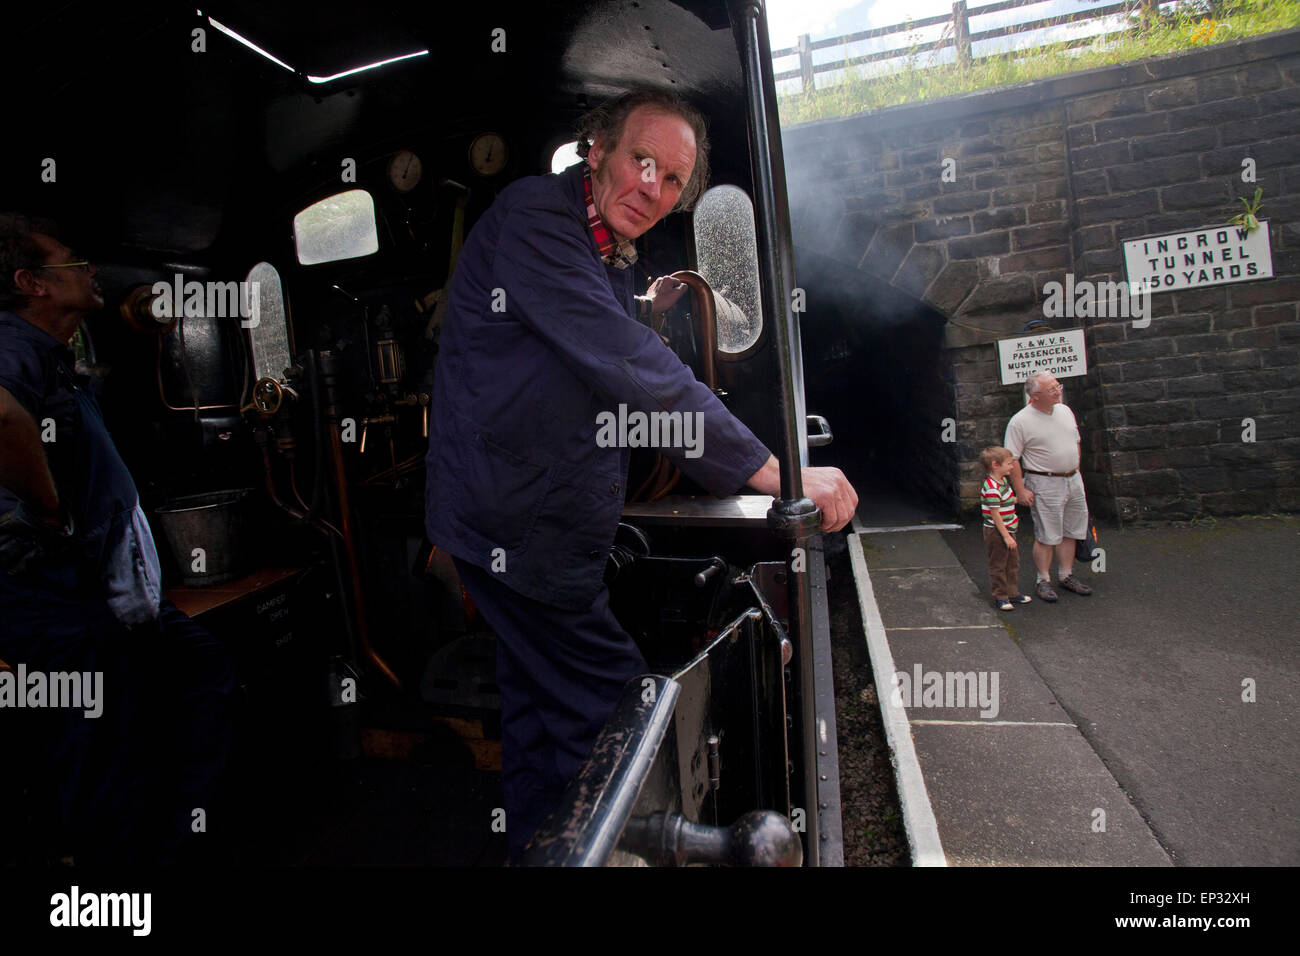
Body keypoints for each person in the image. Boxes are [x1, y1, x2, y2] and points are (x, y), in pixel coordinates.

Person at [424, 89, 857, 861]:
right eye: (641, 162)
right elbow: (634, 370)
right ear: (597, 150)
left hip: (540, 517)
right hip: (516, 525)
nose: (651, 190)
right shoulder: (536, 218)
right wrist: (775, 469)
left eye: (670, 181)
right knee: (619, 713)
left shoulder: (599, 250)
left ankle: (534, 846)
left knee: (534, 712)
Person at [0, 212, 234, 865]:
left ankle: (170, 844)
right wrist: (47, 509)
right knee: (100, 751)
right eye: (74, 263)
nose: (91, 270)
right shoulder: (11, 343)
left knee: (200, 672)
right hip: (63, 600)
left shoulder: (53, 355)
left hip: (115, 591)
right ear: (31, 283)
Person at [1004, 371, 1094, 603]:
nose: (1058, 392)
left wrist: (1075, 469)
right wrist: (1020, 490)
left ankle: (1066, 575)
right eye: (1052, 389)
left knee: (1072, 530)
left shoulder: (1065, 410)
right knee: (1047, 533)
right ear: (1034, 396)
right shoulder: (1020, 421)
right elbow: (1012, 458)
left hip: (1072, 478)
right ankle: (1042, 579)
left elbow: (1075, 442)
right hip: (1044, 481)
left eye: (1058, 386)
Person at [980, 446, 1031, 612]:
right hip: (998, 531)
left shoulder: (1003, 482)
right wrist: (1007, 537)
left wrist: (1018, 499)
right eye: (1009, 463)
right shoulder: (992, 489)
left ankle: (1012, 592)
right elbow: (995, 515)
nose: (1012, 466)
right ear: (996, 465)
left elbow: (1005, 502)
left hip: (1009, 528)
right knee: (999, 564)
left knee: (1012, 562)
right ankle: (1001, 596)